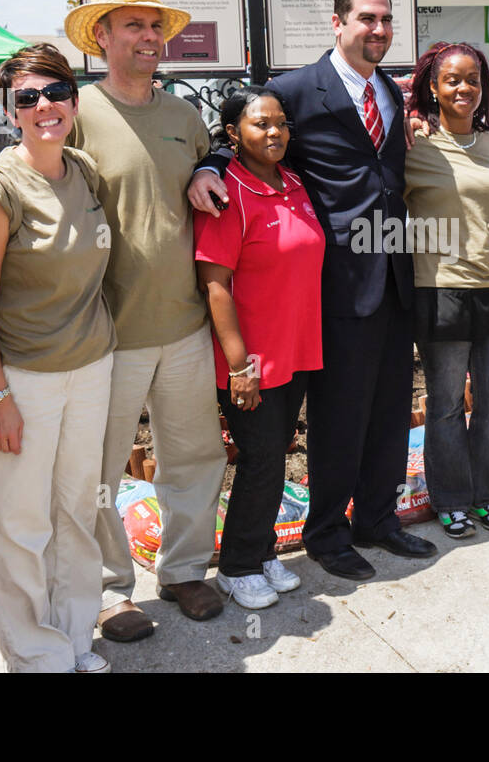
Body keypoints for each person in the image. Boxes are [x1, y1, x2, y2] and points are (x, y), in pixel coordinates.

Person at [191, 0, 438, 581]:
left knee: (388, 411)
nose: (377, 30)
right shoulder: (295, 90)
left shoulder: (390, 90)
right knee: (340, 417)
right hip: (336, 284)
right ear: (338, 23)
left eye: (385, 20)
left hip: (395, 274)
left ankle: (377, 519)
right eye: (366, 19)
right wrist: (207, 166)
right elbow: (249, 137)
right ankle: (327, 533)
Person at [63, 0, 226, 640]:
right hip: (109, 330)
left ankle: (186, 572)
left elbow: (210, 155)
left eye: (155, 26)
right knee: (99, 471)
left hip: (185, 324)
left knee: (193, 458)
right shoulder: (71, 112)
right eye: (134, 25)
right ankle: (109, 591)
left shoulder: (182, 114)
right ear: (101, 35)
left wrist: (210, 168)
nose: (149, 36)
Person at [0, 44, 116, 672]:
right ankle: (34, 656)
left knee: (78, 511)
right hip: (23, 378)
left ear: (74, 102)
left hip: (92, 367)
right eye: (27, 97)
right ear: (9, 111)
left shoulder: (83, 171)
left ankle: (76, 638)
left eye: (54, 93)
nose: (43, 106)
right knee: (21, 525)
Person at [193, 86, 324, 607]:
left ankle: (262, 549)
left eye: (280, 124)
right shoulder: (228, 192)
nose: (274, 133)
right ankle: (238, 564)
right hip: (251, 360)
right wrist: (239, 366)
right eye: (260, 125)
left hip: (295, 349)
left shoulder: (292, 181)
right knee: (260, 457)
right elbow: (215, 285)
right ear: (232, 136)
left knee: (276, 454)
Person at [404, 42, 489, 539]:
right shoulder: (415, 146)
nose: (463, 88)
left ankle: (485, 494)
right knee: (446, 404)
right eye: (452, 79)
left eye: (472, 78)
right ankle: (450, 500)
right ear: (433, 86)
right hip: (441, 287)